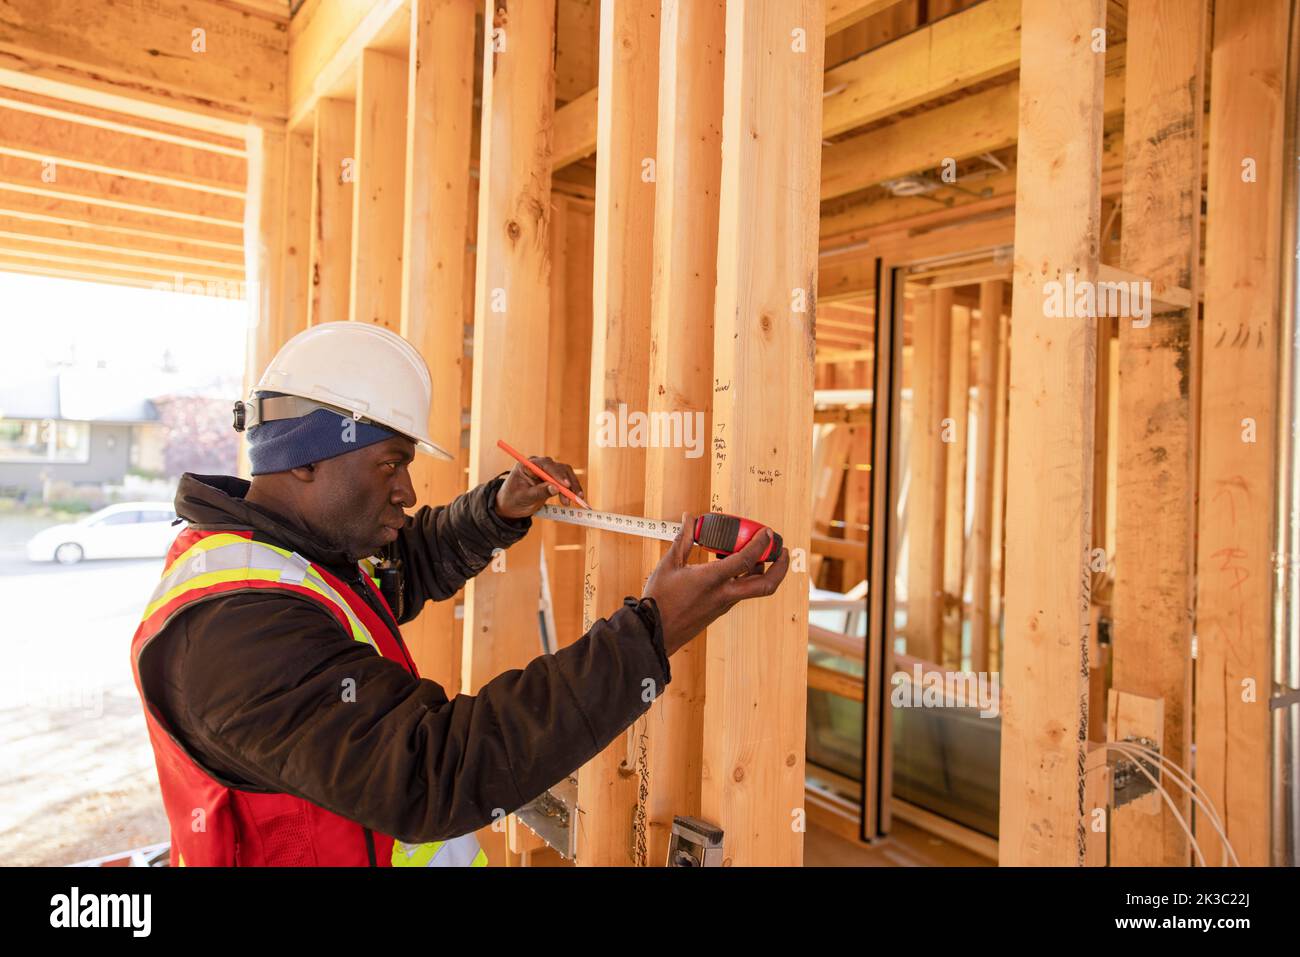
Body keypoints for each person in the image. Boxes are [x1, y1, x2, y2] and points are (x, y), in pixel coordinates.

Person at [130, 321, 789, 866]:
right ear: (303, 459)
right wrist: (653, 630)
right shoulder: (235, 632)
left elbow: (400, 569)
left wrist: (497, 510)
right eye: (391, 462)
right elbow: (432, 768)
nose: (407, 493)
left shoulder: (290, 558)